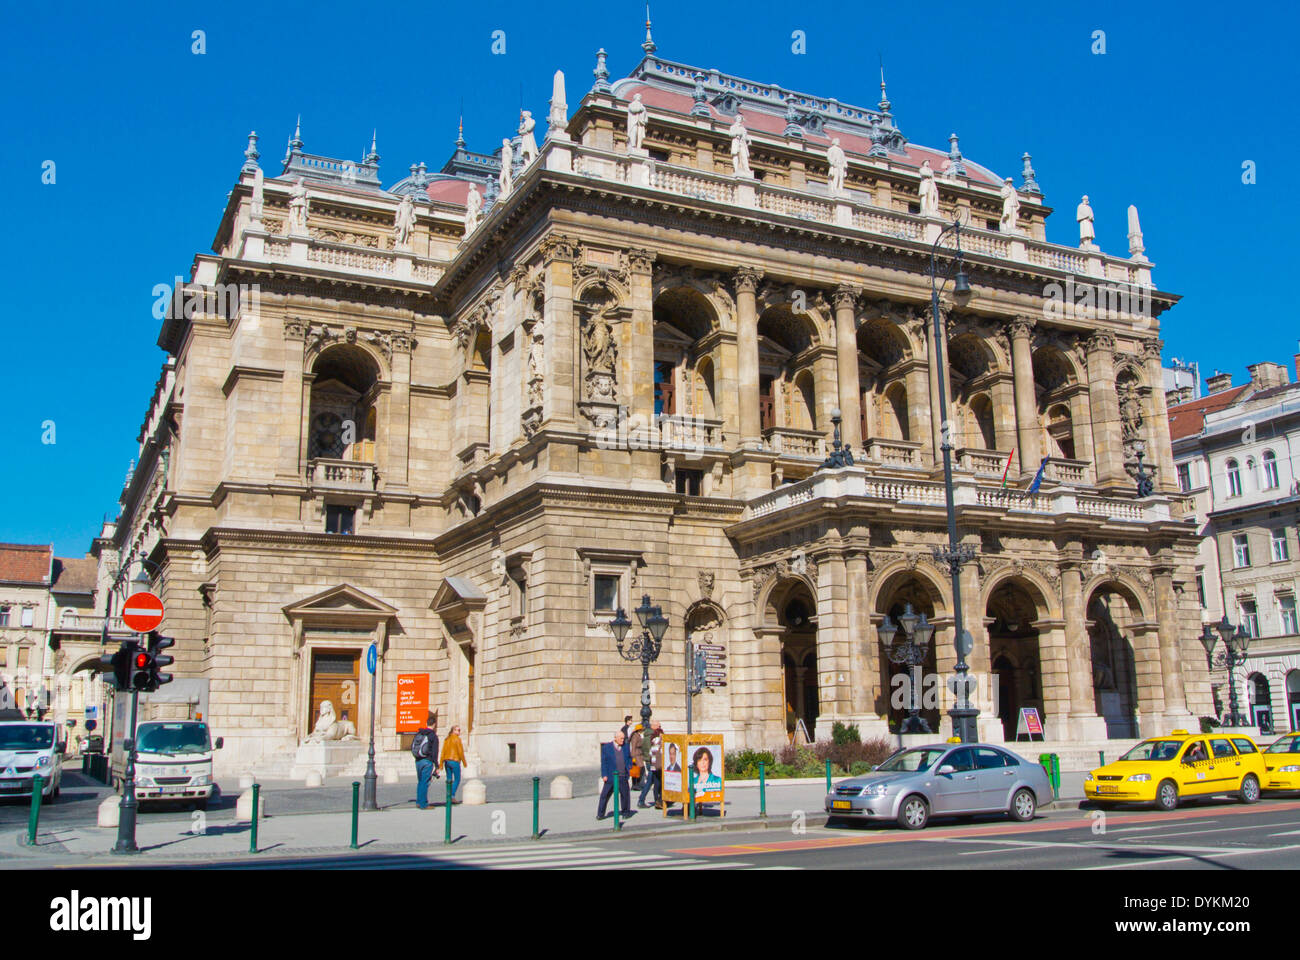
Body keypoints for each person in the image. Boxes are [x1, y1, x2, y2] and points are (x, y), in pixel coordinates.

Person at [597, 729, 633, 820]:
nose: (622, 740)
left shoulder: (626, 746)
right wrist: (604, 775)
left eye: (623, 738)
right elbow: (603, 762)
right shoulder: (607, 747)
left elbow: (629, 758)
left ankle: (626, 812)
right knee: (605, 795)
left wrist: (628, 767)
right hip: (611, 776)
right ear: (615, 738)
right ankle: (600, 814)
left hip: (622, 775)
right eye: (621, 738)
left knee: (625, 795)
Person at [411, 714, 440, 809]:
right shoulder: (433, 736)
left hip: (418, 760)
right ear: (434, 724)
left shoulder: (419, 733)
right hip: (427, 761)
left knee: (420, 782)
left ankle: (419, 802)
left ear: (426, 723)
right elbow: (435, 752)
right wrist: (436, 765)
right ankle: (423, 804)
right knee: (425, 782)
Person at [638, 720, 663, 808]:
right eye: (659, 726)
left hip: (649, 761)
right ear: (654, 726)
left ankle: (658, 800)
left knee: (654, 780)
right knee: (651, 781)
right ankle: (641, 800)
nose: (660, 728)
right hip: (653, 762)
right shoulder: (652, 736)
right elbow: (652, 750)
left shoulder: (646, 735)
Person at [440, 723, 466, 803]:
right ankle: (451, 795)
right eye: (458, 730)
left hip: (446, 761)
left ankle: (449, 796)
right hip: (454, 761)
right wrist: (464, 762)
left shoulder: (447, 739)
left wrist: (441, 763)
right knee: (457, 779)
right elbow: (460, 752)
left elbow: (443, 751)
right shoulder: (457, 739)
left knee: (449, 780)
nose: (459, 732)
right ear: (453, 731)